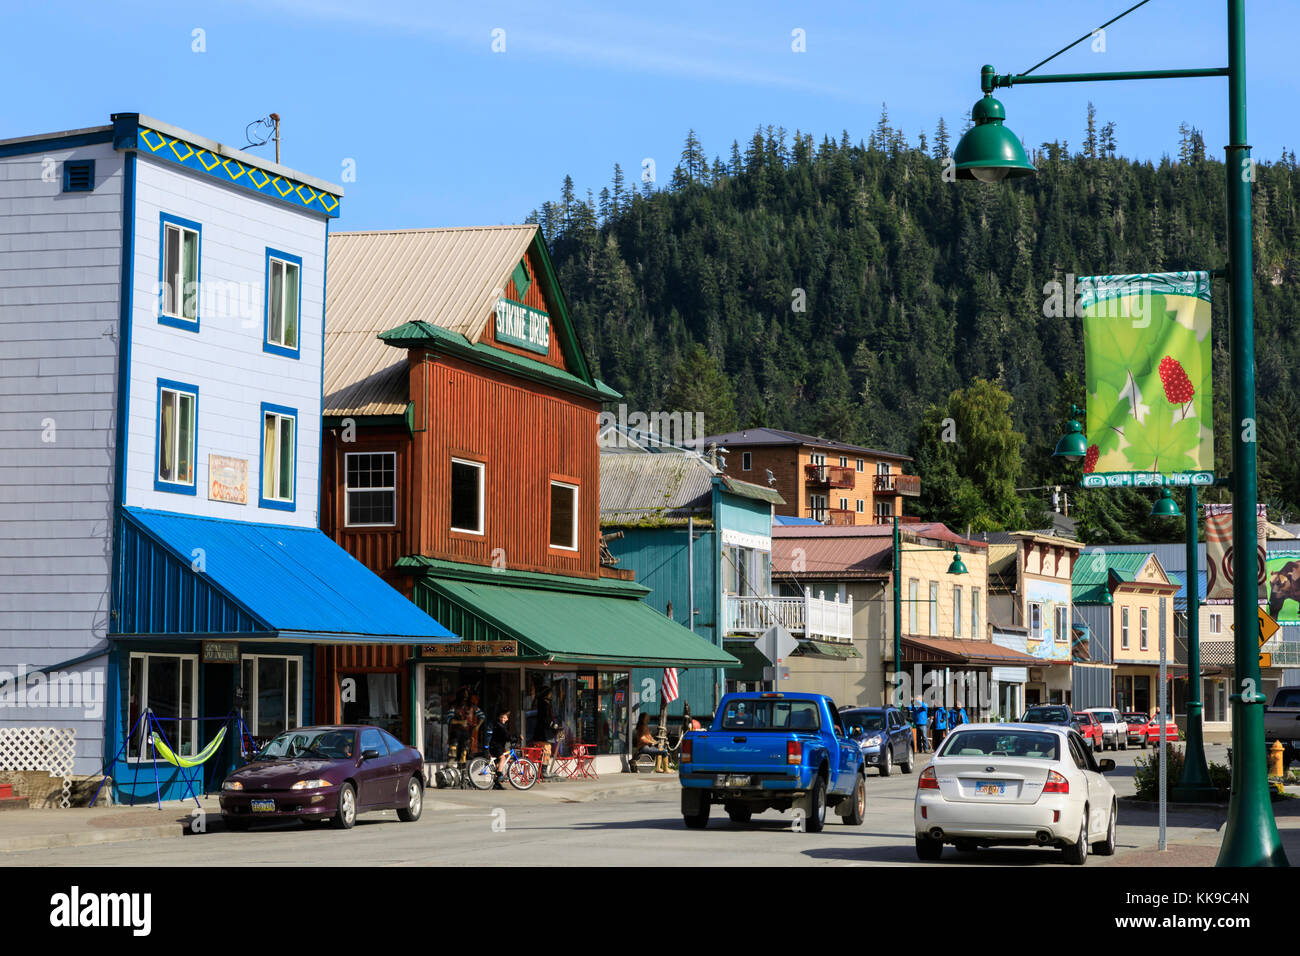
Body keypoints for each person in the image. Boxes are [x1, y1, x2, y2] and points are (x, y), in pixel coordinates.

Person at [531, 685, 559, 781]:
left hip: (544, 732)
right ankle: (543, 771)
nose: (551, 695)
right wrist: (553, 725)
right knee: (546, 751)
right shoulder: (544, 704)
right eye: (550, 693)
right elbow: (545, 719)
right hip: (544, 733)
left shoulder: (543, 703)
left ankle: (542, 771)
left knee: (545, 752)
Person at [484, 707, 513, 790]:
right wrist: (515, 738)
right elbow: (506, 735)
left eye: (505, 717)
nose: (503, 719)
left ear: (507, 719)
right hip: (496, 747)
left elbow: (506, 735)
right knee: (503, 758)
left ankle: (496, 784)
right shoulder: (500, 726)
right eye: (501, 717)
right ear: (499, 718)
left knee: (497, 765)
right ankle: (500, 774)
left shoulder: (501, 725)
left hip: (496, 746)